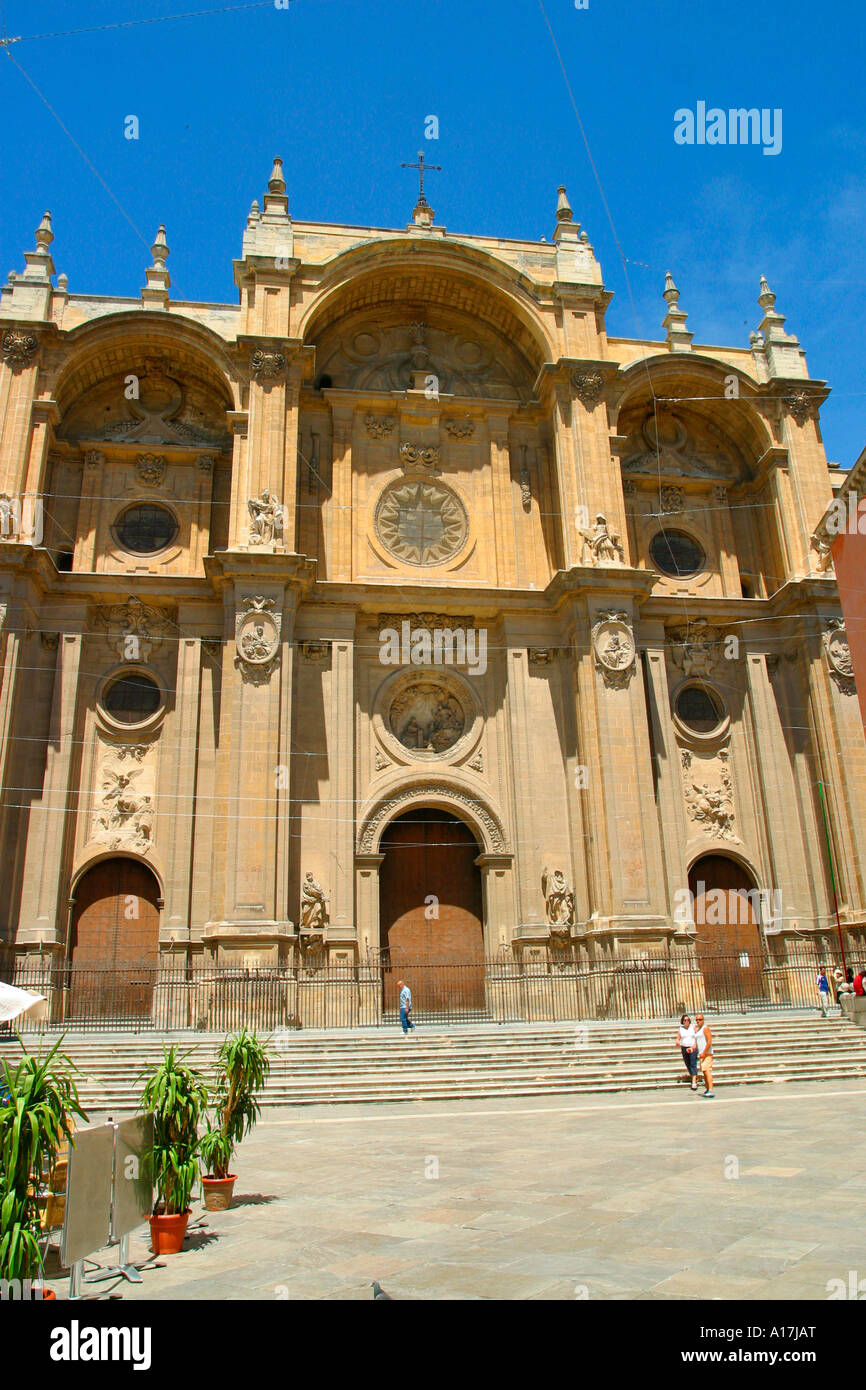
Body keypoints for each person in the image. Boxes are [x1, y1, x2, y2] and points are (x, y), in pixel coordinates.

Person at [676, 1013, 698, 1091]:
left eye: (688, 1020)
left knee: (693, 1063)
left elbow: (697, 1036)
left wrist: (695, 1045)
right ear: (683, 1021)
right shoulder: (681, 1029)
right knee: (687, 1063)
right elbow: (678, 1038)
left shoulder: (693, 1027)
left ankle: (694, 1082)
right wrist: (678, 1042)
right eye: (685, 1020)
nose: (687, 1021)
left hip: (692, 1047)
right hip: (684, 1047)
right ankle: (694, 1076)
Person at [695, 1013, 714, 1098]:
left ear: (703, 1020)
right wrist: (692, 1049)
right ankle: (707, 1089)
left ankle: (711, 1089)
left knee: (707, 1071)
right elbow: (697, 1043)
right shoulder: (699, 1030)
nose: (698, 1021)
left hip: (706, 1053)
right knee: (704, 1072)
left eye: (700, 1019)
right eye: (697, 1020)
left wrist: (704, 1052)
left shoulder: (705, 1028)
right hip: (702, 1054)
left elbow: (709, 1041)